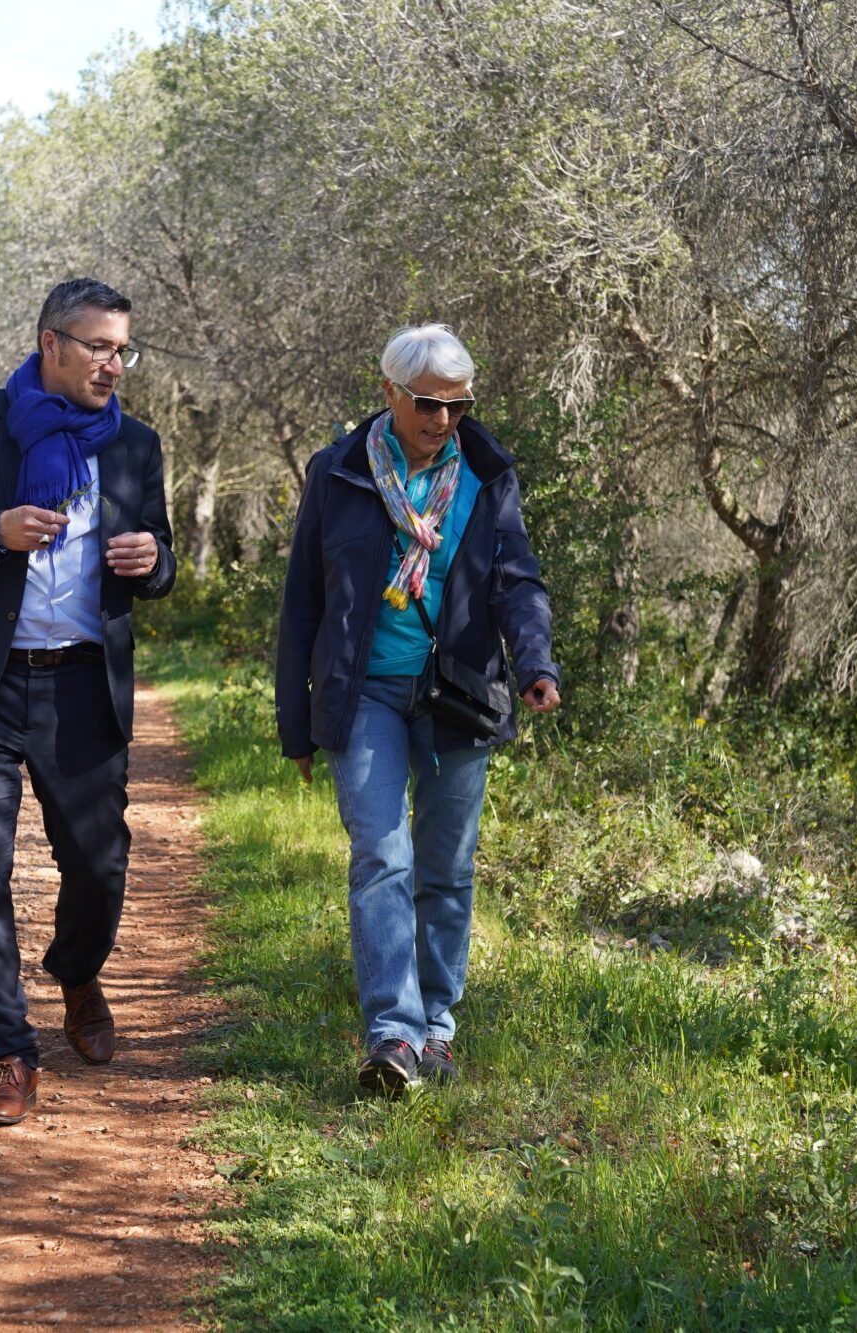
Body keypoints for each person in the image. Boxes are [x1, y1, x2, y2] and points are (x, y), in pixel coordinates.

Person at [0, 277, 175, 1126]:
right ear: (50, 344)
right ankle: (9, 1054)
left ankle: (78, 971)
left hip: (83, 682)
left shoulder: (134, 445)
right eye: (98, 346)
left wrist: (149, 560)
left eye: (123, 348)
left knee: (99, 863)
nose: (113, 364)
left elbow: (164, 562)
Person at [276, 323, 559, 1094]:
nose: (443, 420)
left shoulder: (486, 476)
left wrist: (535, 662)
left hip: (458, 695)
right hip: (362, 691)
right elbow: (302, 600)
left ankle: (436, 1027)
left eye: (458, 405)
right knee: (382, 857)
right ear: (390, 393)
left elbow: (517, 580)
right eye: (428, 403)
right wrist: (294, 722)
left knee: (445, 867)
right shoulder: (337, 472)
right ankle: (392, 1034)